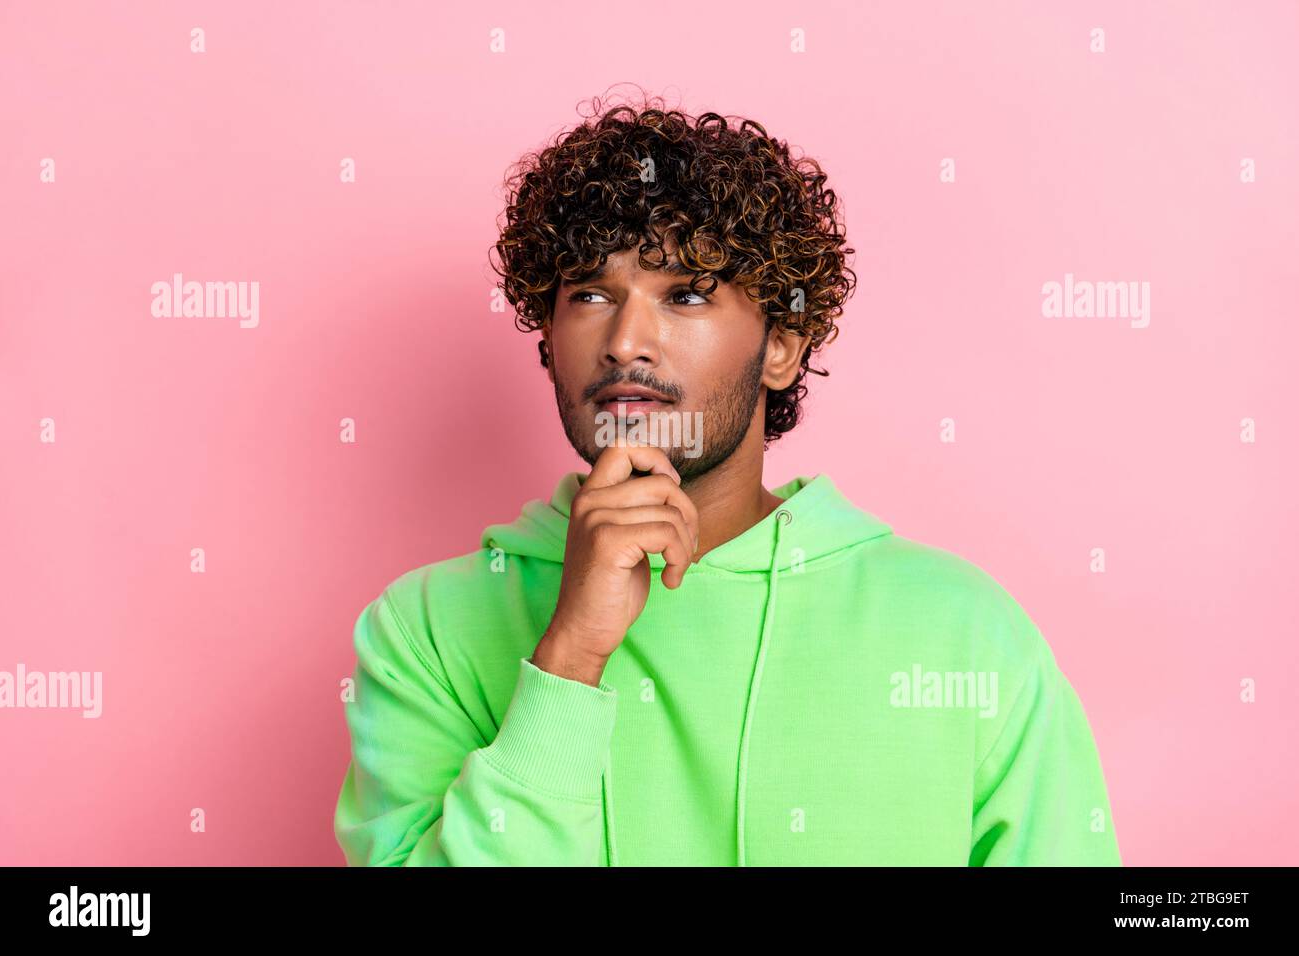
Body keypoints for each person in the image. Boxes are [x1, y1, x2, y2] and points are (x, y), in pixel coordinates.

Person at [332, 92, 1122, 866]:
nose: (625, 342)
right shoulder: (426, 631)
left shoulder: (962, 630)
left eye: (685, 295)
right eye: (591, 294)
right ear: (548, 338)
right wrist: (568, 660)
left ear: (780, 347)